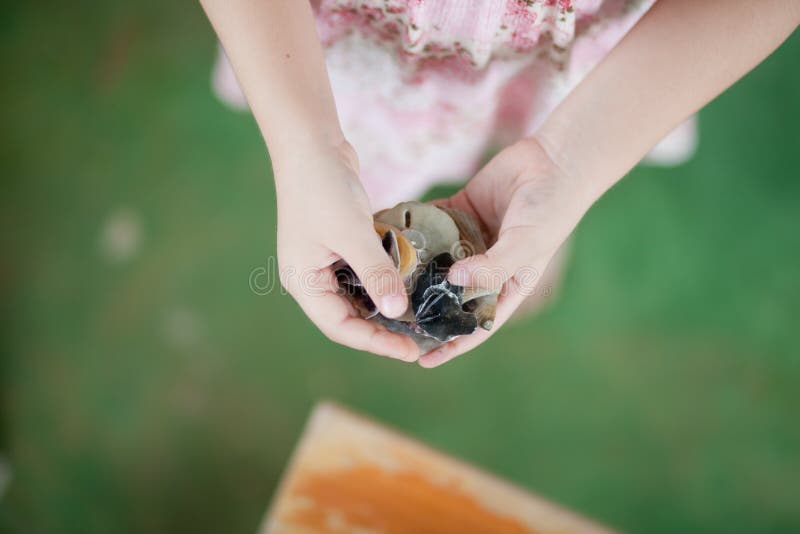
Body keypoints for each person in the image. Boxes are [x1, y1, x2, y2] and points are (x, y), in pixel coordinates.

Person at [198, 0, 799, 367]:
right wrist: (309, 145)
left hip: (575, 43)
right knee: (361, 158)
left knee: (544, 135)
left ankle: (539, 198)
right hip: (367, 39)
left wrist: (570, 163)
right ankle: (377, 192)